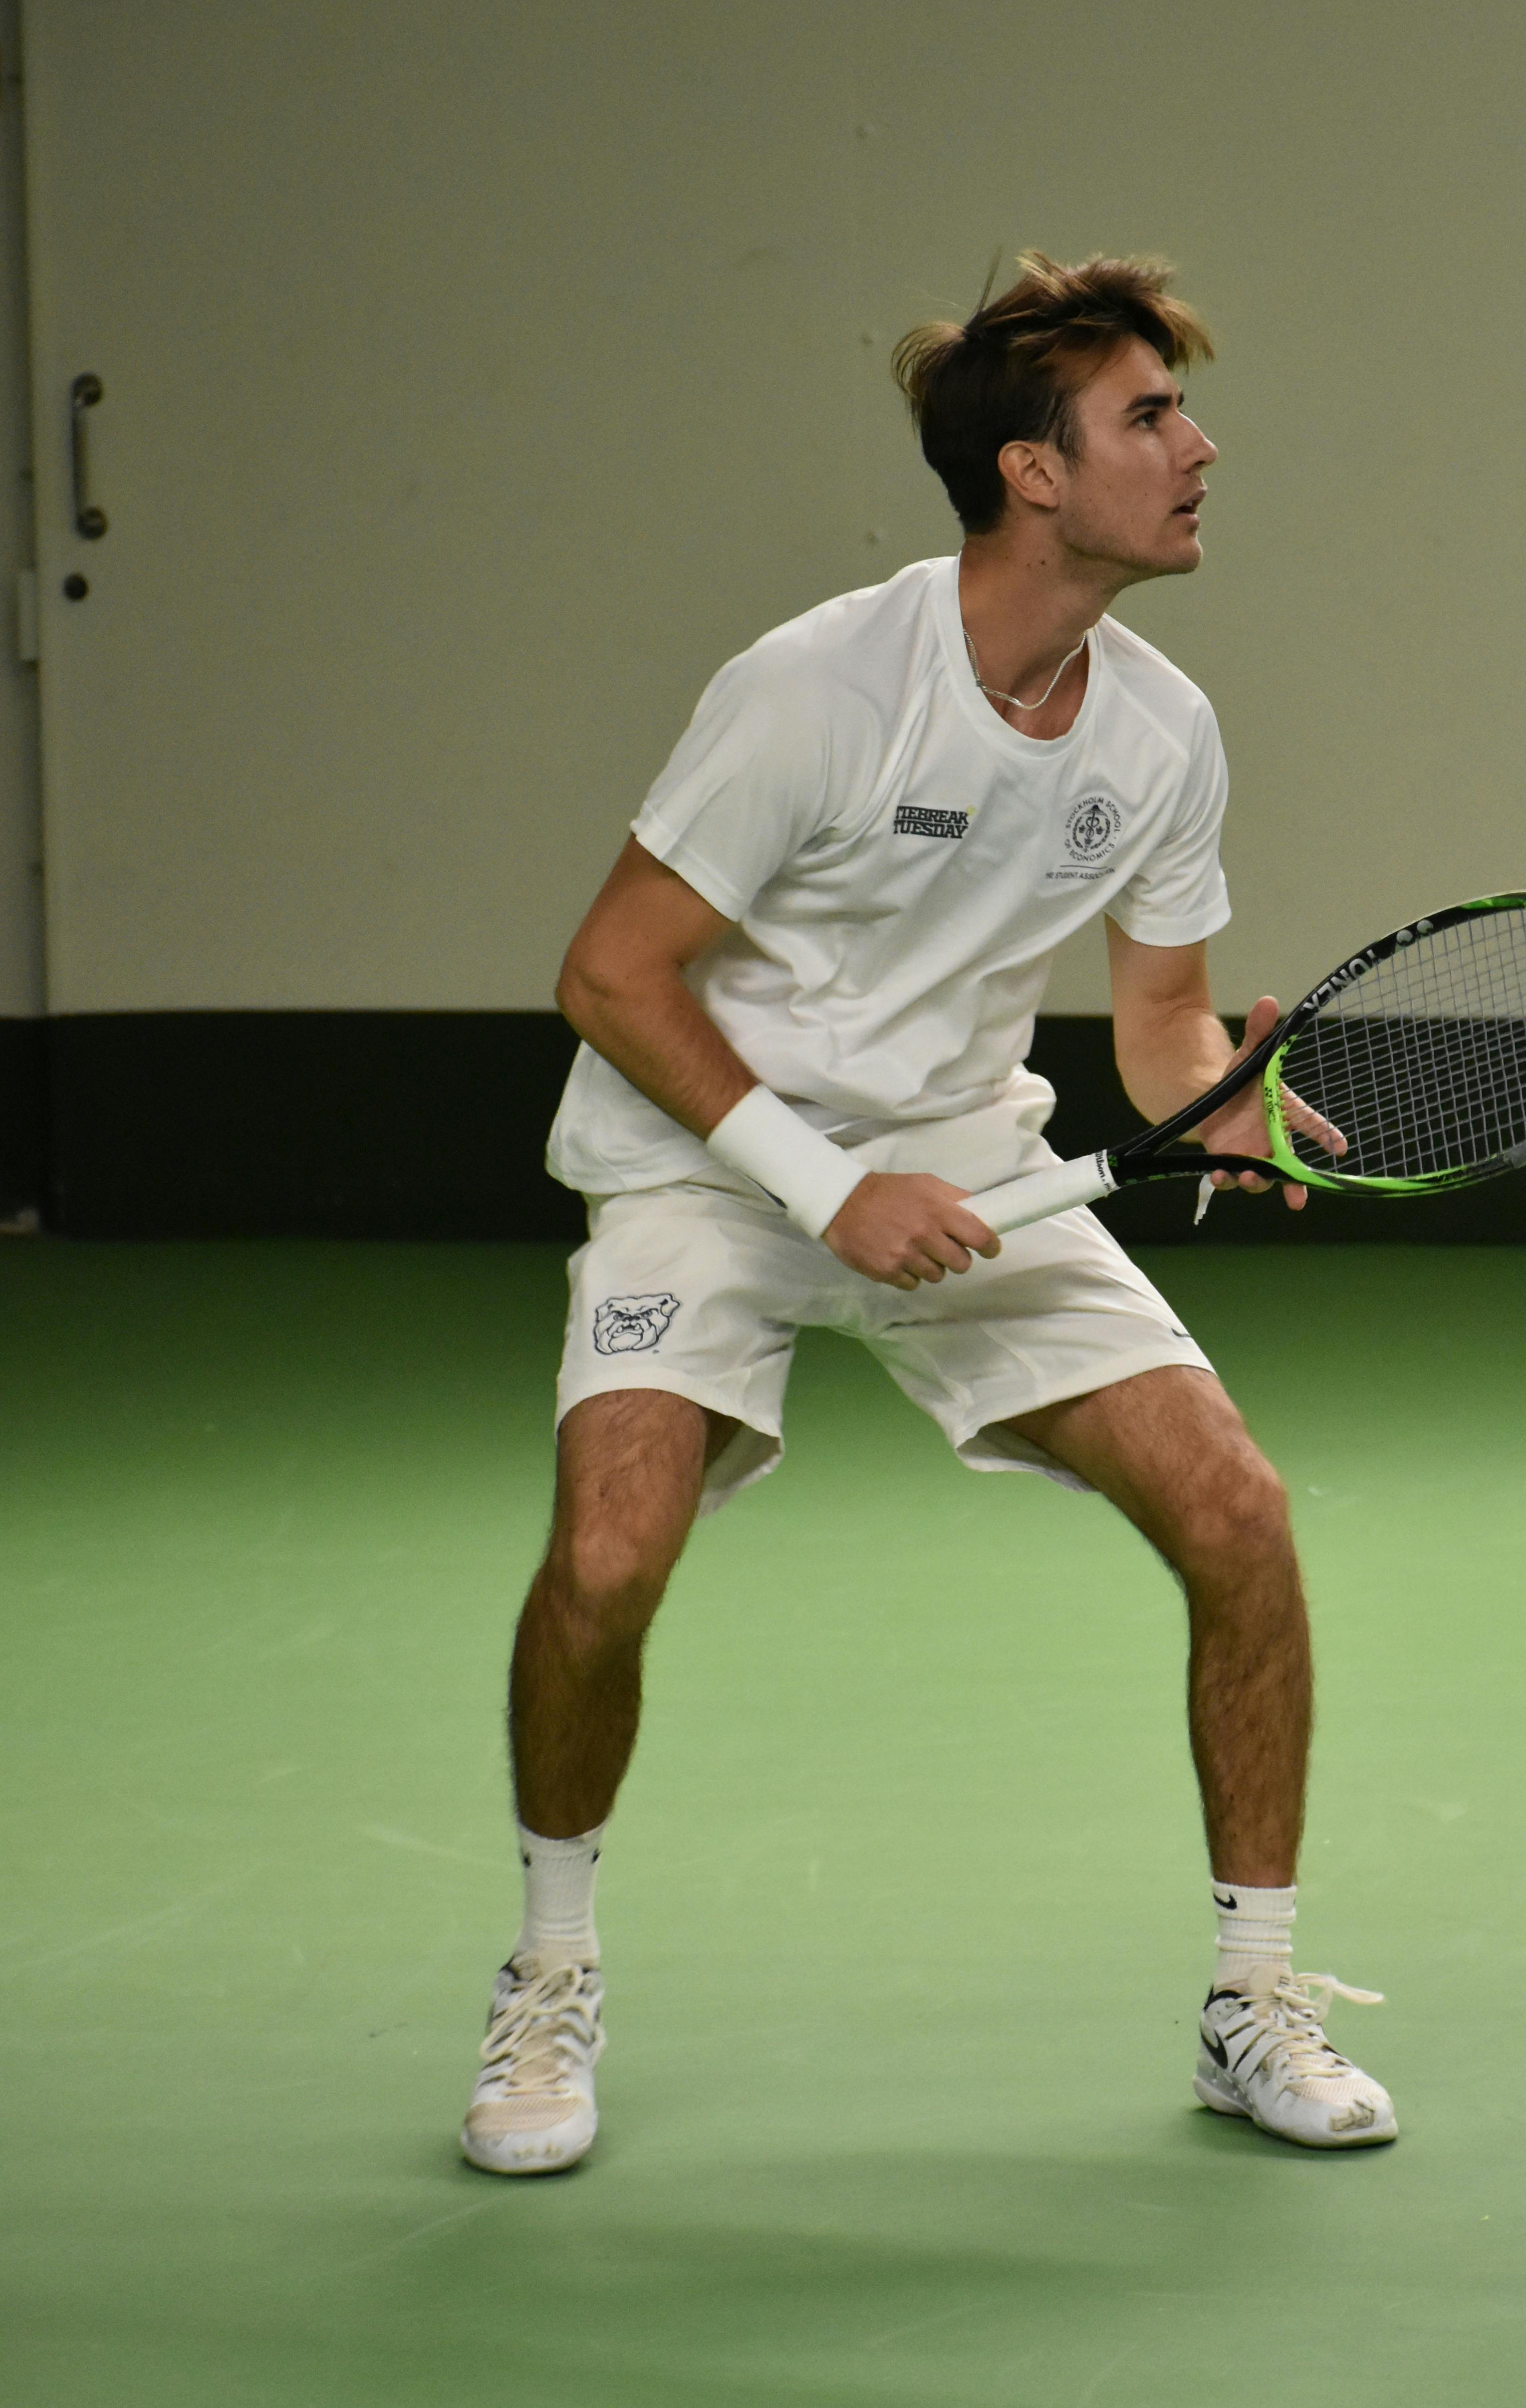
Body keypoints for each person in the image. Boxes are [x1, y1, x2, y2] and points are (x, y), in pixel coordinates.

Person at [459, 253, 1395, 2173]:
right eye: (1150, 416)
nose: (1200, 448)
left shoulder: (1163, 733)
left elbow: (1157, 1025)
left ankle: (1256, 1996)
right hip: (712, 1164)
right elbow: (612, 975)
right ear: (1032, 475)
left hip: (975, 1165)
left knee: (1242, 1517)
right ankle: (548, 1981)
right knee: (610, 1560)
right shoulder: (813, 689)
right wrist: (818, 1186)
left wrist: (1229, 1106)